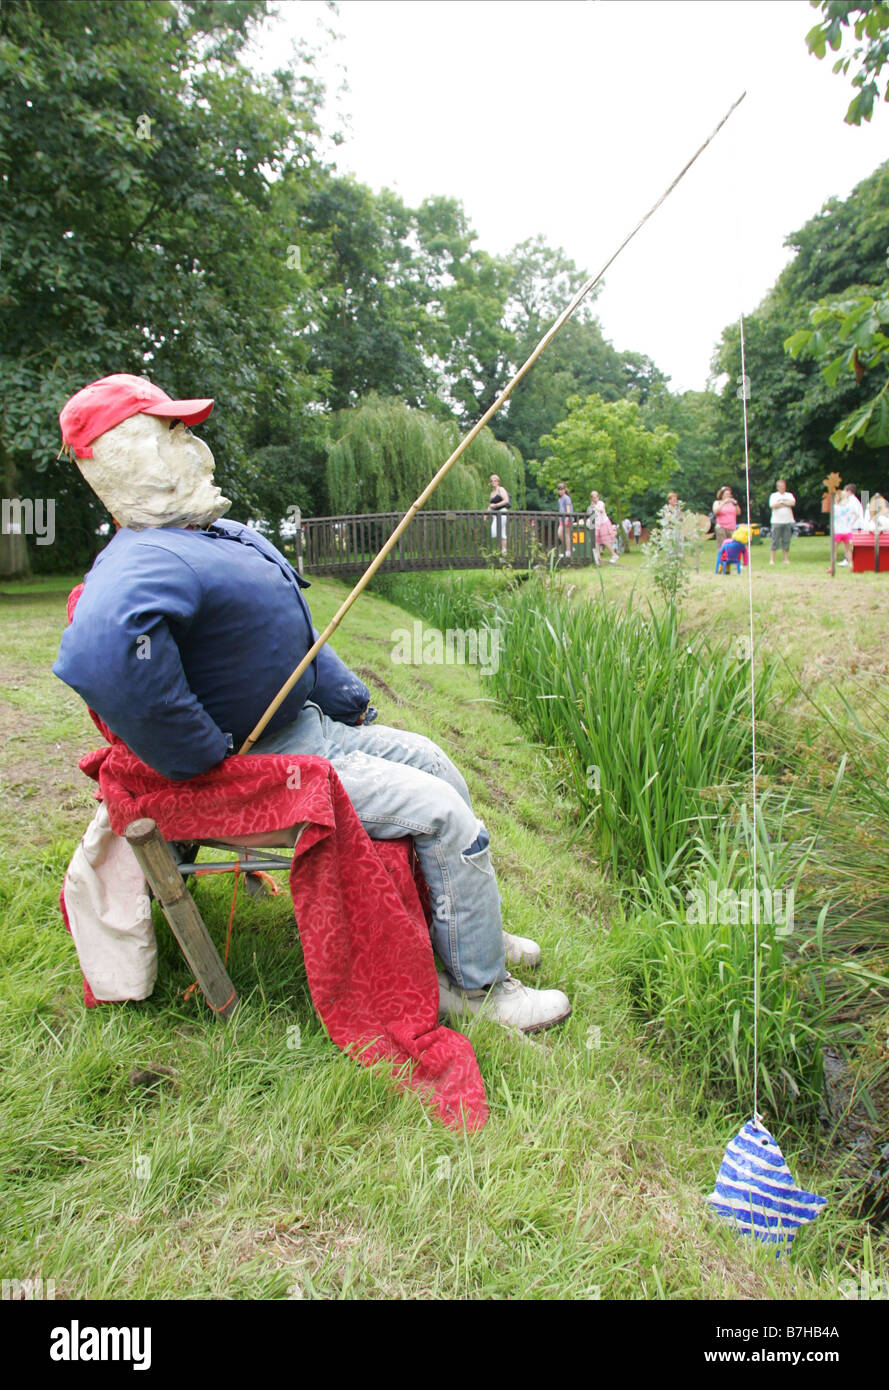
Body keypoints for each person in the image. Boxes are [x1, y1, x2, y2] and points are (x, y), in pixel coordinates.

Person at [53, 374, 571, 1034]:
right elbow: (102, 657)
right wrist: (201, 754)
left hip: (312, 729)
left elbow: (293, 634)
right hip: (264, 766)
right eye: (174, 434)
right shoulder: (146, 559)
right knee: (440, 815)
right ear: (126, 458)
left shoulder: (215, 532)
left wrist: (346, 701)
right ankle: (479, 991)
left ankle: (475, 941)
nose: (199, 450)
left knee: (438, 765)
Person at [833, 484, 864, 566]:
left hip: (853, 526)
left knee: (847, 546)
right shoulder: (853, 500)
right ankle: (848, 561)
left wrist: (851, 523)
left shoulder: (851, 501)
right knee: (847, 546)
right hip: (851, 527)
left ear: (849, 491)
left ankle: (847, 561)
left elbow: (854, 514)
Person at [768, 479, 795, 566]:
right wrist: (784, 503)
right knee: (775, 540)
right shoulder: (774, 495)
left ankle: (786, 559)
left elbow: (793, 503)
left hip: (787, 520)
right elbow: (773, 505)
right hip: (776, 521)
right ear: (777, 487)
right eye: (780, 486)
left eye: (783, 486)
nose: (782, 487)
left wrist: (782, 503)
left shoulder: (789, 495)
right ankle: (772, 559)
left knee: (786, 540)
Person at [587, 491, 619, 565]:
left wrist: (595, 506)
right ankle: (598, 558)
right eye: (593, 497)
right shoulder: (590, 507)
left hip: (604, 523)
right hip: (597, 525)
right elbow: (591, 518)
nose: (595, 499)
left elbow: (601, 510)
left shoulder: (601, 503)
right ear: (591, 498)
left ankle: (614, 555)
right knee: (596, 541)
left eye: (596, 497)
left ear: (598, 497)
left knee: (605, 541)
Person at [488, 473, 510, 556]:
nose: (493, 482)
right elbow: (490, 505)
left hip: (502, 512)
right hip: (495, 514)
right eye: (491, 481)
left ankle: (503, 551)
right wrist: (485, 515)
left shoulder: (501, 489)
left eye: (495, 480)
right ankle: (502, 551)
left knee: (497, 531)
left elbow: (506, 500)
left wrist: (496, 505)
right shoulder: (492, 493)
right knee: (499, 532)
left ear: (498, 482)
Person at [556, 482, 573, 558]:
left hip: (567, 519)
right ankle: (569, 547)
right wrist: (560, 518)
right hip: (562, 519)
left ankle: (568, 551)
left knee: (567, 535)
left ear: (564, 490)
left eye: (561, 489)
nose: (560, 491)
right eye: (559, 490)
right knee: (559, 533)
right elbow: (560, 510)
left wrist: (567, 518)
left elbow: (568, 509)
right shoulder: (559, 500)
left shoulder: (567, 498)